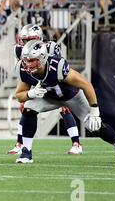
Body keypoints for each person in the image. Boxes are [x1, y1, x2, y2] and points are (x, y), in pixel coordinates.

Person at [14, 40, 115, 164]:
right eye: (26, 60)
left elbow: (86, 85)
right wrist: (30, 94)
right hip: (48, 98)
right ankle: (26, 152)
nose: (28, 64)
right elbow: (19, 96)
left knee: (94, 125)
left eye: (32, 60)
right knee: (28, 108)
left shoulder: (56, 66)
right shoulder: (23, 69)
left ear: (43, 58)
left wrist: (95, 110)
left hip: (72, 97)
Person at [8, 25, 83, 155]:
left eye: (30, 39)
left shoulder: (51, 47)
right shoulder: (19, 50)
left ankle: (76, 143)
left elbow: (55, 68)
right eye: (24, 40)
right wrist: (27, 91)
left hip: (53, 81)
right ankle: (20, 144)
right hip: (34, 80)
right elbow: (24, 72)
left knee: (64, 108)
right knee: (26, 108)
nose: (27, 43)